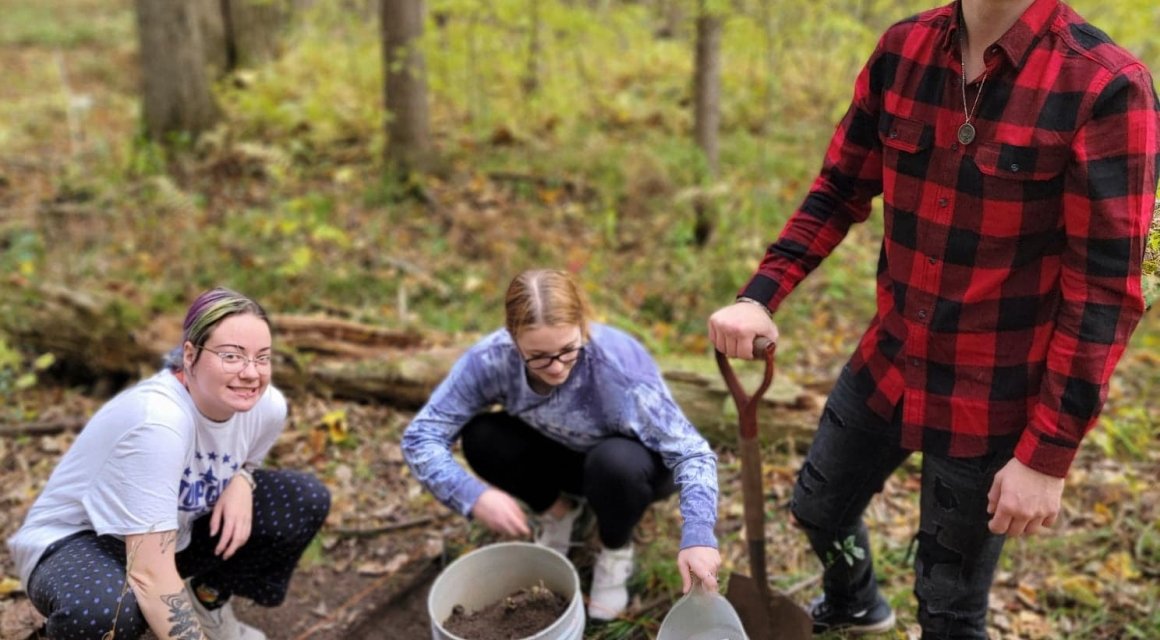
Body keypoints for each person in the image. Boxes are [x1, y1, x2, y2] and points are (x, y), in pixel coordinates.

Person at [708, 0, 1159, 637]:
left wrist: (1047, 455)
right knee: (818, 509)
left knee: (948, 611)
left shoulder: (1107, 87)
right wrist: (759, 294)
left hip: (995, 393)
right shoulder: (903, 49)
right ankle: (855, 602)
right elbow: (839, 187)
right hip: (890, 358)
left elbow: (1107, 292)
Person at [7, 287, 331, 640]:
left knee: (301, 500)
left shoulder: (266, 407)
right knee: (104, 612)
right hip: (81, 540)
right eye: (232, 356)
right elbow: (149, 571)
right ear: (189, 356)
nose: (251, 373)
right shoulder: (158, 422)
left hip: (174, 532)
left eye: (262, 357)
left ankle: (205, 603)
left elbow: (249, 460)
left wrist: (242, 480)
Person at [402, 268, 721, 620]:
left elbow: (693, 453)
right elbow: (421, 436)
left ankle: (614, 548)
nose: (555, 368)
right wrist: (471, 495)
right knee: (481, 436)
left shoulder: (618, 370)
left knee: (613, 464)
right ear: (513, 338)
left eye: (567, 350)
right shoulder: (492, 360)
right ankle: (559, 512)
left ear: (583, 327)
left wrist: (698, 534)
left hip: (631, 467)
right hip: (562, 454)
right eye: (538, 356)